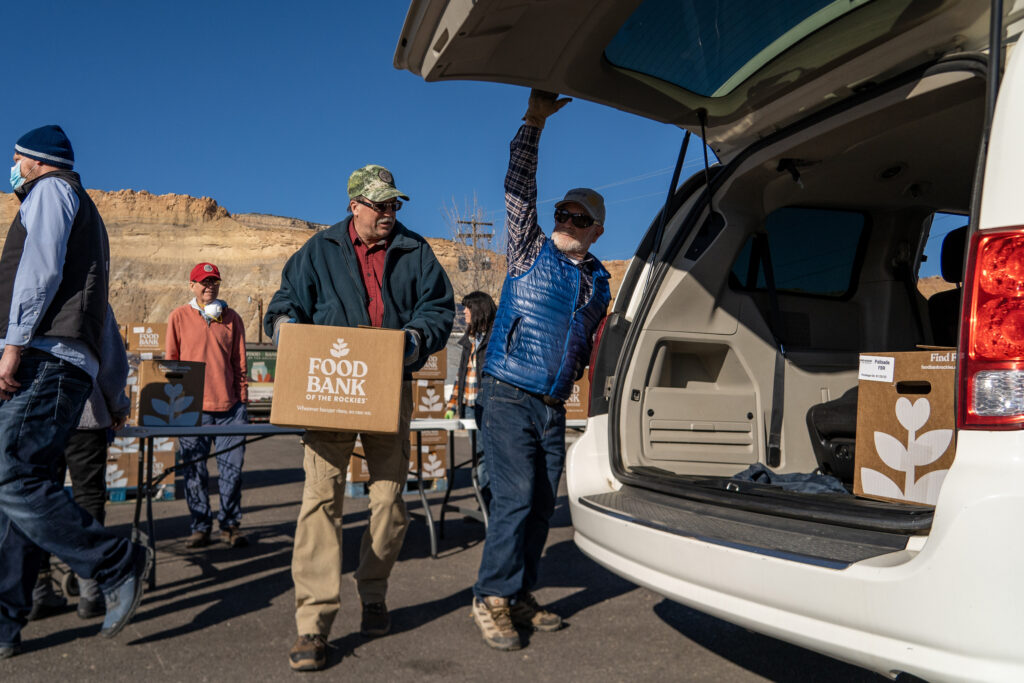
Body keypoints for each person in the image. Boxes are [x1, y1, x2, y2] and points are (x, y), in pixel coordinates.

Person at [264, 164, 454, 672]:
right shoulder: (319, 250)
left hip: (387, 388)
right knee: (319, 500)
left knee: (389, 503)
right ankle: (313, 624)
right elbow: (284, 305)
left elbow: (439, 308)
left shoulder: (415, 251)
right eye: (380, 205)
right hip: (327, 389)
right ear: (354, 205)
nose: (389, 213)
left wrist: (415, 339)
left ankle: (373, 590)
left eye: (394, 205)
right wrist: (285, 328)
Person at [0, 125, 151, 659]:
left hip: (44, 359)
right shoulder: (78, 210)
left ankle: (114, 562)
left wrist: (14, 344)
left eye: (16, 157)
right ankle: (6, 621)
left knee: (11, 473)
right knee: (21, 492)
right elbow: (96, 316)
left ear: (37, 160)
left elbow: (37, 272)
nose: (12, 166)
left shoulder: (50, 192)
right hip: (59, 362)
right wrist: (113, 393)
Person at [471, 91, 611, 651]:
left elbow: (592, 346)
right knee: (514, 497)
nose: (568, 222)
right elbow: (518, 188)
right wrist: (533, 123)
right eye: (563, 213)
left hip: (552, 406)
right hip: (507, 391)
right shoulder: (530, 249)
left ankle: (520, 593)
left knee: (541, 505)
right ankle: (490, 596)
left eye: (580, 218)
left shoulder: (599, 285)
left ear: (597, 230)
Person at [29, 304, 131, 621]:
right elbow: (111, 360)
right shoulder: (90, 294)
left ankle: (39, 587)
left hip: (37, 413)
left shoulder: (28, 294)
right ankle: (90, 589)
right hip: (84, 412)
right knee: (88, 496)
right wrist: (118, 405)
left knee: (39, 498)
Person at [166, 262, 249, 549]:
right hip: (191, 410)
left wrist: (242, 401)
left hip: (230, 410)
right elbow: (171, 363)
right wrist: (174, 408)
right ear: (192, 285)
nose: (209, 286)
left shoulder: (232, 318)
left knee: (232, 472)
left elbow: (240, 363)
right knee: (194, 472)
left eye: (214, 281)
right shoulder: (178, 317)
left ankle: (230, 525)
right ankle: (200, 526)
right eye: (203, 282)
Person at [443, 291, 496, 510]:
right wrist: (452, 405)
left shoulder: (494, 339)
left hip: (487, 407)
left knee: (485, 456)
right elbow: (461, 375)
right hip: (469, 407)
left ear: (479, 310)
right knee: (477, 456)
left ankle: (487, 506)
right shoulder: (470, 339)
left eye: (468, 308)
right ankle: (483, 503)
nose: (464, 311)